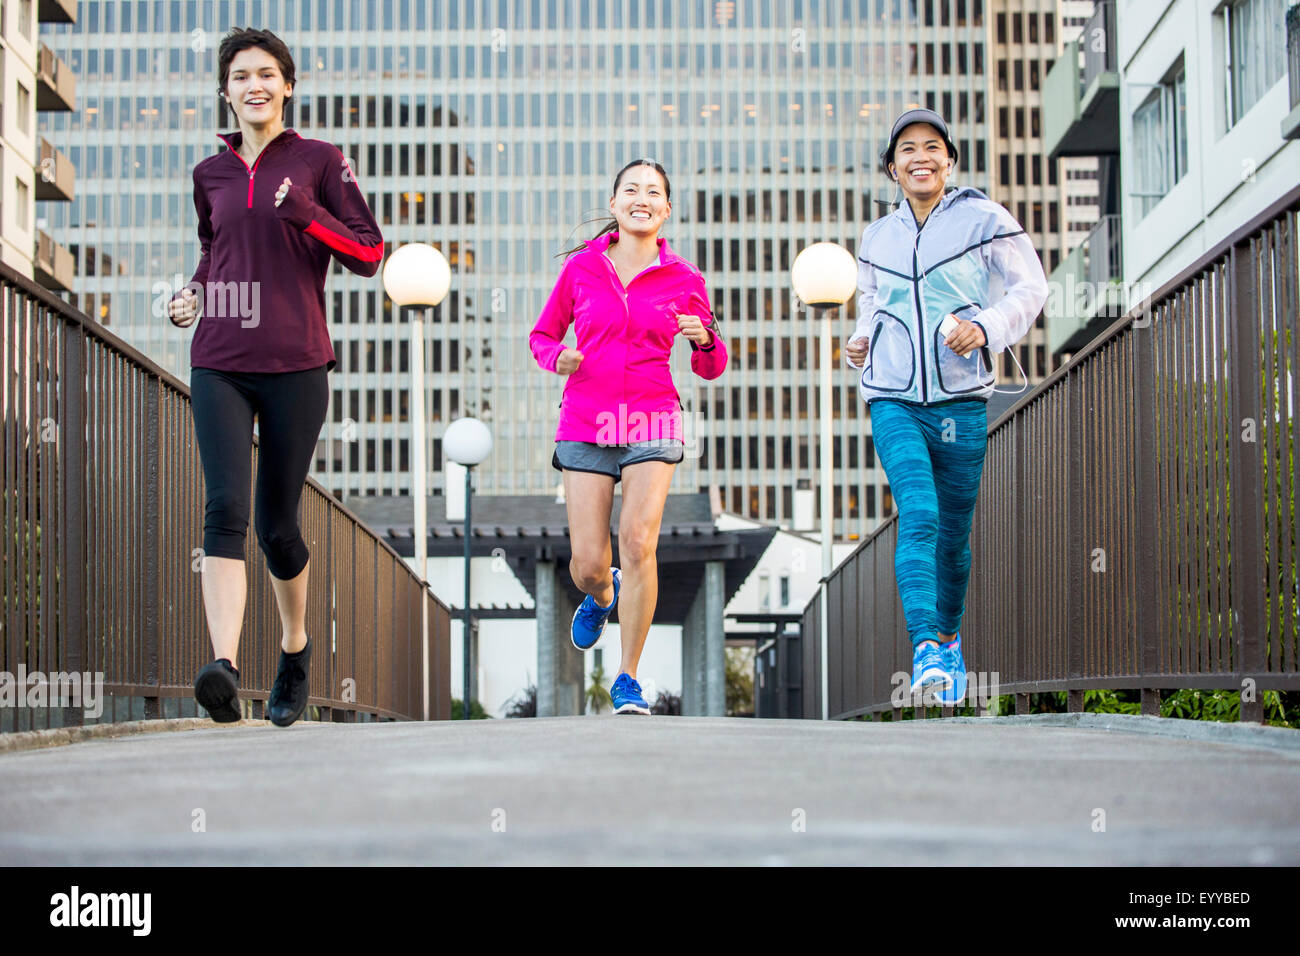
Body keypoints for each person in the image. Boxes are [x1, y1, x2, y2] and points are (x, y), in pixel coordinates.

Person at [169, 28, 383, 726]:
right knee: (223, 510)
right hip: (219, 359)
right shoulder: (210, 173)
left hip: (296, 363)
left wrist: (306, 212)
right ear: (225, 90)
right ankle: (225, 669)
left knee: (277, 527)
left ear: (287, 85)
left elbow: (370, 252)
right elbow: (214, 248)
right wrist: (193, 294)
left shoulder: (321, 161)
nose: (254, 85)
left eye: (267, 73)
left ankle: (294, 647)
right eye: (240, 75)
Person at [845, 109, 1047, 705]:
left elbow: (1030, 287)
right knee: (921, 513)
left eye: (932, 148)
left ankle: (951, 637)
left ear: (949, 161)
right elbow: (871, 301)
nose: (920, 158)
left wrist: (984, 326)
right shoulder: (876, 237)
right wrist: (863, 338)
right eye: (907, 150)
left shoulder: (984, 218)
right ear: (892, 168)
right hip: (892, 396)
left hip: (961, 402)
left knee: (954, 539)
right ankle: (927, 646)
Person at [530, 159, 728, 715]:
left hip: (652, 418)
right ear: (614, 204)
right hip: (587, 420)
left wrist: (706, 336)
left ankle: (628, 677)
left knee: (639, 540)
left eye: (654, 192)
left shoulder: (685, 280)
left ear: (665, 209)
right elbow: (542, 335)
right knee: (588, 562)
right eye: (631, 190)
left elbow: (712, 366)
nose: (642, 198)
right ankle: (602, 592)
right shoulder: (582, 270)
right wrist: (558, 358)